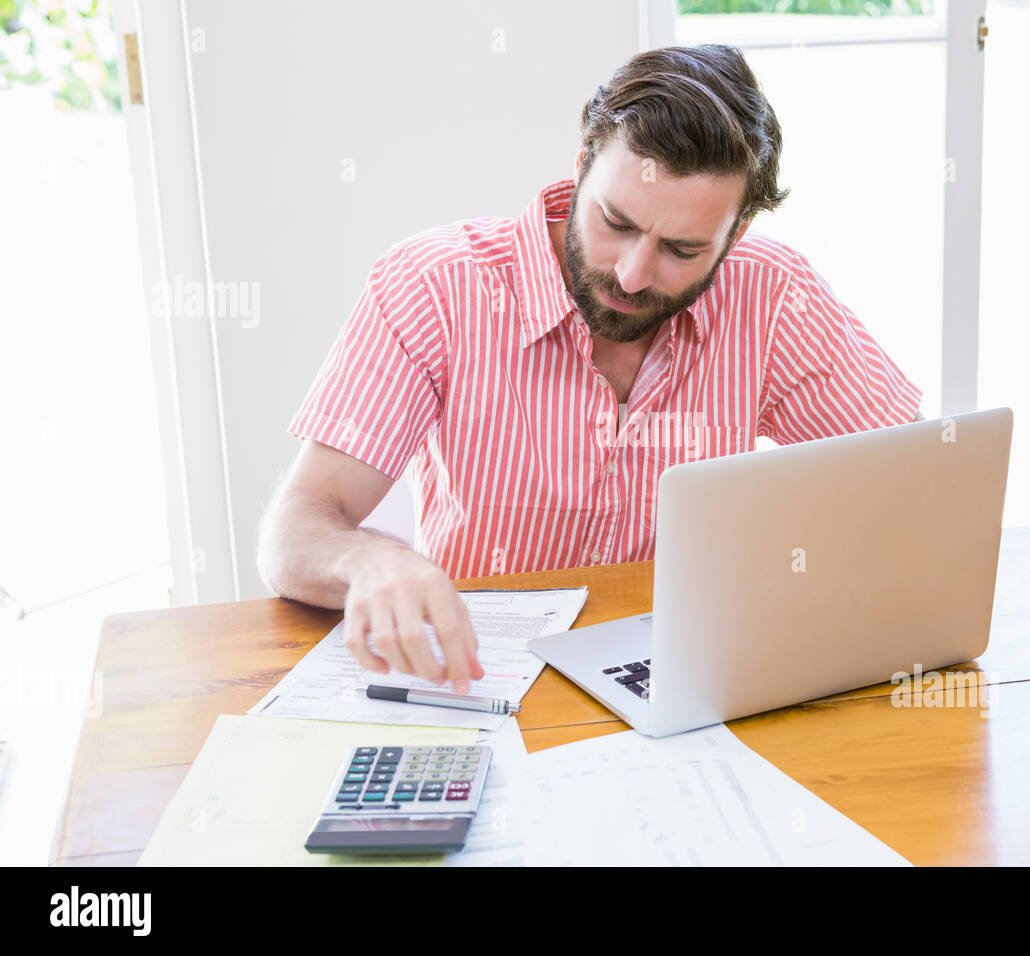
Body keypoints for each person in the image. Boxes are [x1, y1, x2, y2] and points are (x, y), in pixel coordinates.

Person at [257, 44, 923, 696]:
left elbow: (913, 490)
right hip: (486, 681)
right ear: (582, 165)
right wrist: (371, 559)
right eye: (616, 221)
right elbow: (298, 524)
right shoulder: (435, 285)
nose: (633, 275)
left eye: (683, 249)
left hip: (688, 681)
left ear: (737, 232)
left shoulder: (773, 295)